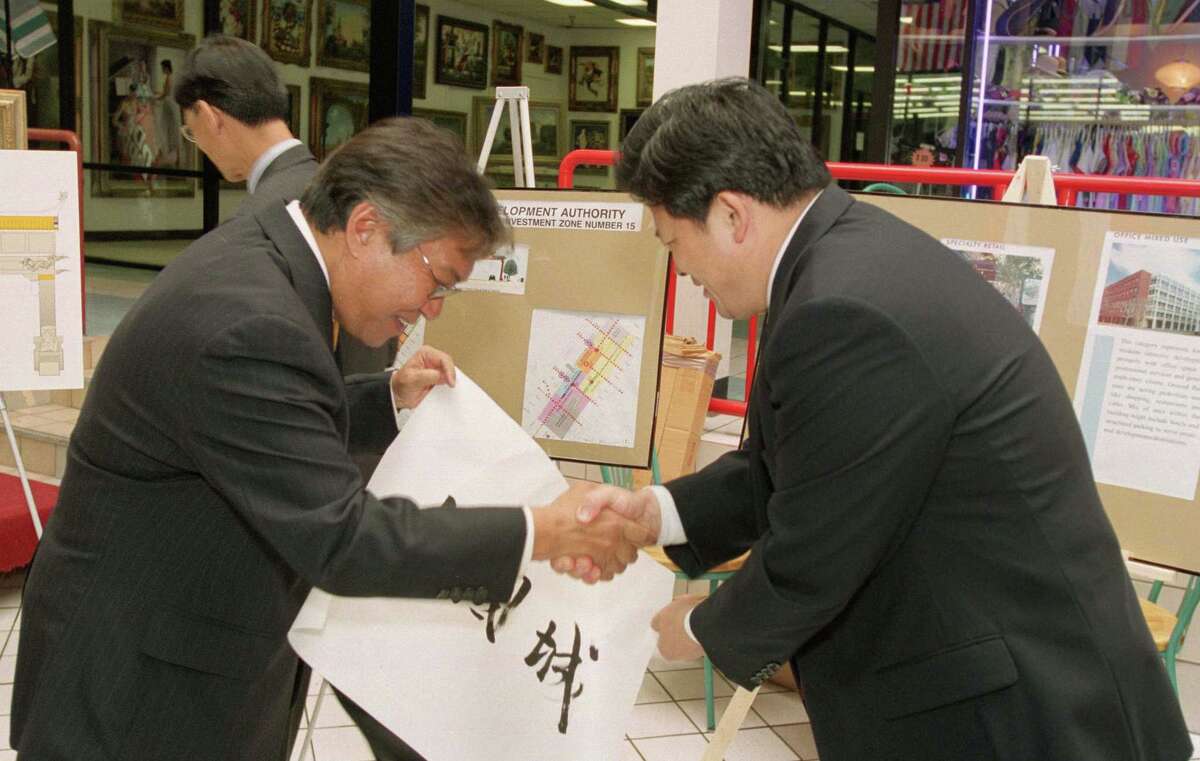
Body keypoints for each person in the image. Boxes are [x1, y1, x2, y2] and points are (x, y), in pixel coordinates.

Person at [559, 78, 1192, 761]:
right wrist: (656, 514)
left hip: (1025, 715)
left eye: (673, 242)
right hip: (1002, 682)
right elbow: (806, 466)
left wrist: (702, 628)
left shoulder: (843, 310)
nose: (680, 269)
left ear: (732, 215)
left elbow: (816, 549)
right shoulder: (845, 260)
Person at [10, 118, 654, 761]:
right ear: (366, 227)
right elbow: (343, 541)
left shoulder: (267, 266)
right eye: (437, 280)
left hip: (183, 652)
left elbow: (256, 423)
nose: (434, 308)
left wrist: (385, 401)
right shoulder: (250, 320)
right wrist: (545, 529)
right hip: (136, 697)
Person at [173, 34, 389, 456]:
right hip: (357, 434)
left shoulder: (267, 219)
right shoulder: (334, 186)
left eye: (190, 131)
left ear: (210, 116)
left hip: (309, 442)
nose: (199, 147)